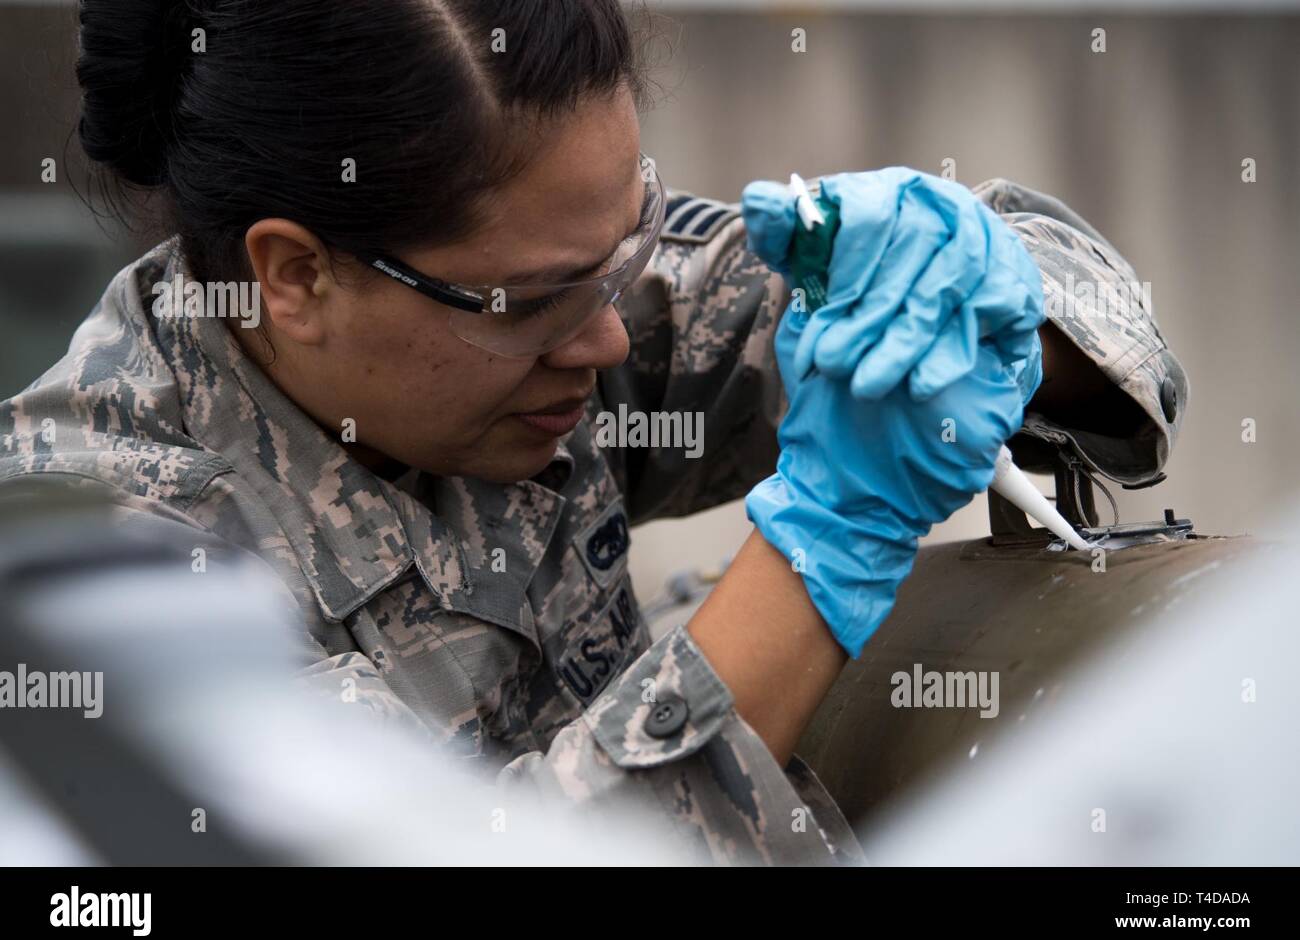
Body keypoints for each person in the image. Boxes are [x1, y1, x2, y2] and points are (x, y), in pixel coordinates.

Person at [0, 0, 1185, 865]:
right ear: (296, 275)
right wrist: (822, 548)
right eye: (533, 301)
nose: (610, 340)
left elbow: (1086, 324)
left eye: (625, 246)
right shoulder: (104, 579)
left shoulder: (536, 303)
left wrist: (979, 296)